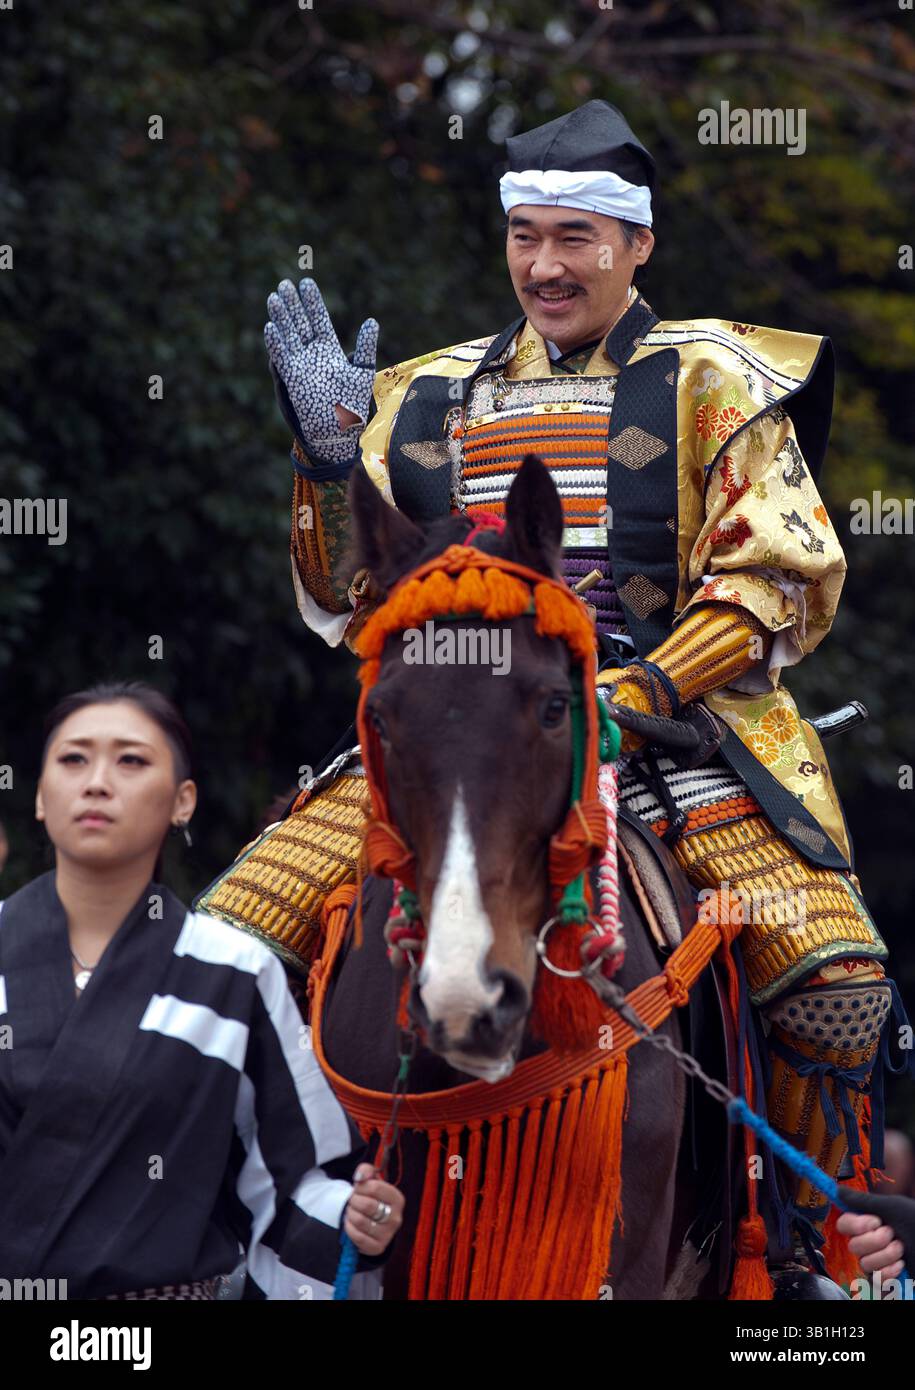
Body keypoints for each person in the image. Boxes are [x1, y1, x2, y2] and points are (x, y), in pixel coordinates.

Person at [198, 98, 907, 1293]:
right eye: (525, 236)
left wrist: (637, 686)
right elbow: (348, 598)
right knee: (223, 948)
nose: (545, 265)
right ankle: (231, 1237)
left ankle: (806, 1249)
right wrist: (324, 464)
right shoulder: (426, 395)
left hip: (680, 726)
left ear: (638, 244)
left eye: (576, 237)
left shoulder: (719, 378)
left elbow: (773, 577)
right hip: (460, 727)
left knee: (837, 984)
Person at [0, 681, 403, 1300]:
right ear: (38, 796)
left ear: (182, 802)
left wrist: (354, 1218)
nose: (98, 782)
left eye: (131, 761)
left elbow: (295, 1180)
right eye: (73, 759)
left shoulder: (233, 971)